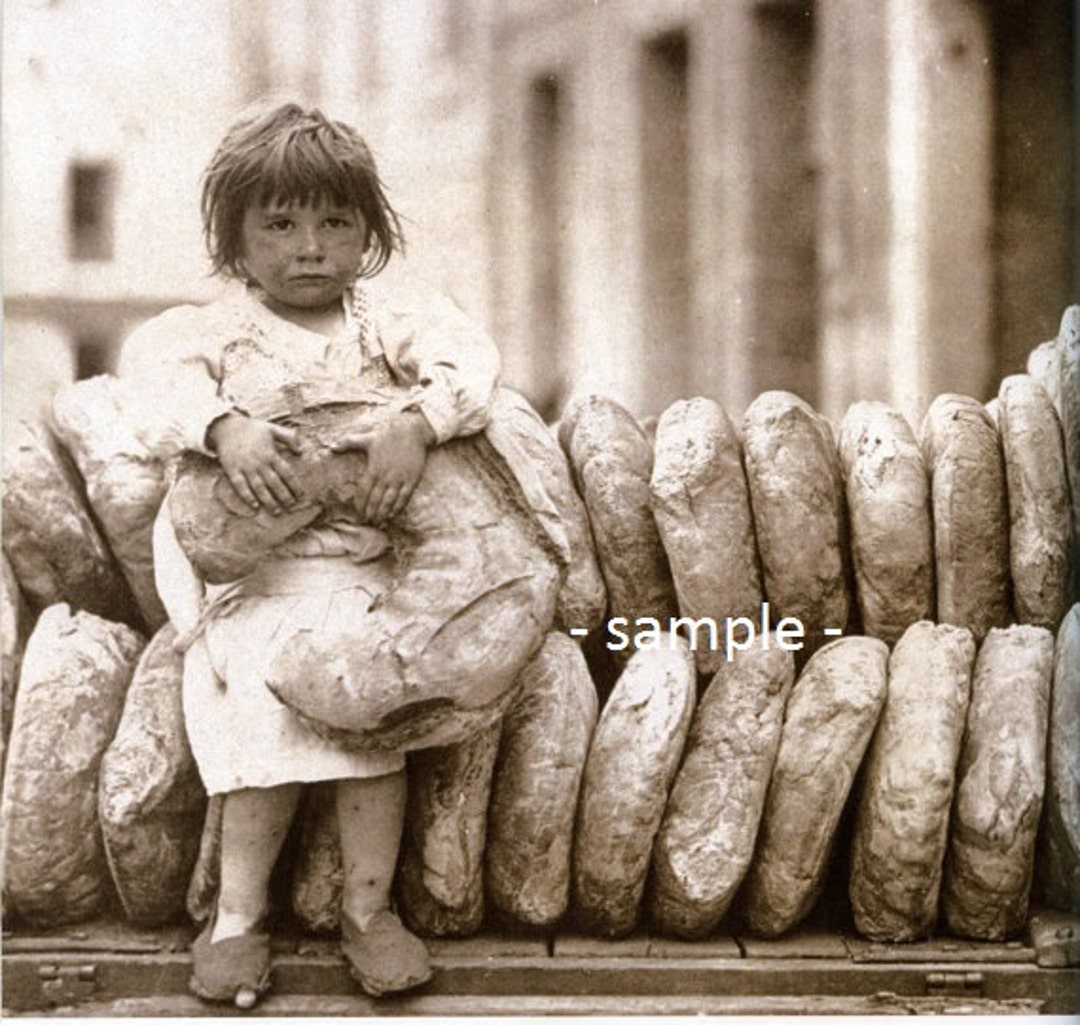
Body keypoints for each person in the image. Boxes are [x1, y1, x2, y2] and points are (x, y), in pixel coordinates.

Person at [116, 102, 503, 1007]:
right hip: (255, 584)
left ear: (369, 230)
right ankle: (239, 917)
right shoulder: (211, 332)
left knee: (372, 751)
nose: (310, 247)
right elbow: (150, 381)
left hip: (366, 577)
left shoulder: (385, 325)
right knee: (260, 752)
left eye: (336, 222)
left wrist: (418, 420)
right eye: (280, 225)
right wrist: (222, 427)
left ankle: (368, 912)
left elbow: (469, 361)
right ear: (235, 239)